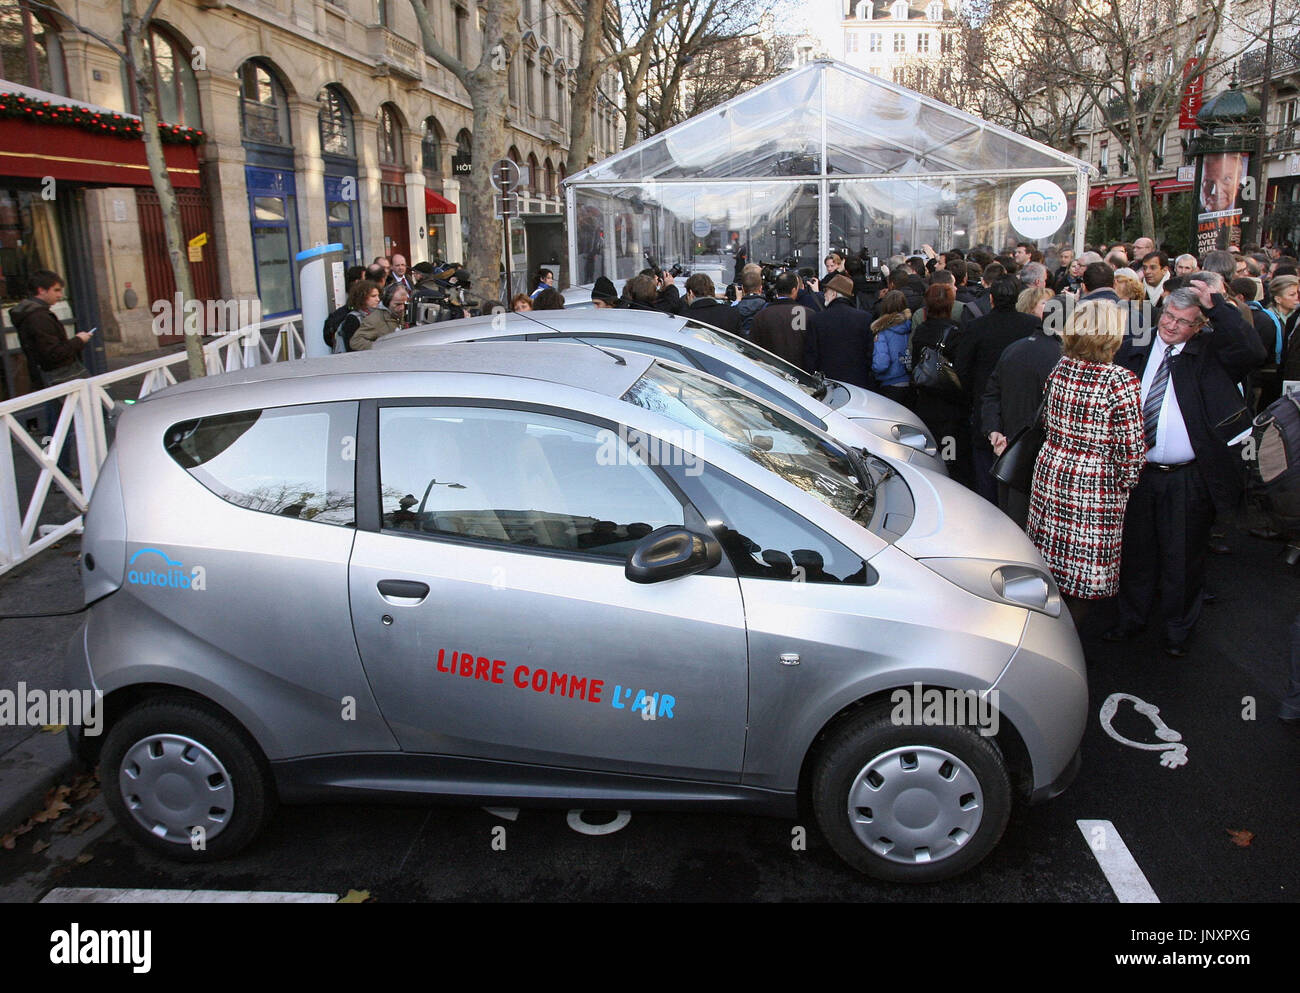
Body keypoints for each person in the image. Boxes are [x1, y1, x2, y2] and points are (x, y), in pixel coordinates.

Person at [1105, 282, 1267, 656]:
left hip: (1188, 478)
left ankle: (1177, 631)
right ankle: (1131, 619)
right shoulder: (1134, 348)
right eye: (1168, 316)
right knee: (1135, 553)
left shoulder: (1211, 355)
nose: (1171, 326)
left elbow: (1253, 351)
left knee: (1182, 559)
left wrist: (1218, 306)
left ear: (1199, 326)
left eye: (1183, 321)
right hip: (1136, 474)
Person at [1025, 299, 1145, 619]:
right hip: (1094, 485)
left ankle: (1047, 636)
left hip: (1052, 469)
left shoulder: (1061, 368)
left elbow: (1049, 421)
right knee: (1084, 576)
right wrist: (1125, 483)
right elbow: (1131, 449)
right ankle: (1070, 650)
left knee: (1053, 564)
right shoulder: (1120, 380)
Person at [954, 276, 1042, 501]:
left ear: (991, 299)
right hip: (1022, 405)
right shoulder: (1031, 326)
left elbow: (962, 367)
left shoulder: (977, 327)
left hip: (984, 403)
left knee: (985, 468)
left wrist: (971, 394)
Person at [982, 287, 1063, 527]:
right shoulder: (1062, 359)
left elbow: (991, 393)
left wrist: (993, 430)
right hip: (1038, 461)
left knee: (1009, 524)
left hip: (1007, 451)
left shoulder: (1014, 348)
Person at [11, 269, 93, 473]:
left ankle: (57, 469)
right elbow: (53, 353)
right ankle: (59, 470)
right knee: (60, 428)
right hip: (57, 376)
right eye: (56, 290)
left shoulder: (33, 314)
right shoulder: (38, 317)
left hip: (48, 376)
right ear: (41, 290)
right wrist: (79, 341)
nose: (59, 295)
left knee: (56, 427)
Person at [912, 282, 971, 486]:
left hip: (926, 402)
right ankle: (949, 483)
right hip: (951, 406)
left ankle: (932, 480)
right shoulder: (958, 332)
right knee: (950, 454)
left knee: (931, 449)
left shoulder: (921, 330)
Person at [806, 275, 873, 389]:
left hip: (828, 383)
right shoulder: (865, 318)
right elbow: (870, 353)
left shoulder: (817, 319)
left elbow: (811, 355)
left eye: (826, 291)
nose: (824, 294)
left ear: (834, 294)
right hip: (858, 382)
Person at [1248, 274, 1297, 409]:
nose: (1297, 298)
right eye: (1292, 295)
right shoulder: (1268, 320)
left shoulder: (1293, 318)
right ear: (1278, 299)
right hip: (1268, 382)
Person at [751, 272, 813, 370]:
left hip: (771, 374)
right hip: (801, 375)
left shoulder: (761, 316)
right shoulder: (808, 314)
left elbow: (753, 351)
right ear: (794, 290)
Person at [870, 290, 914, 407]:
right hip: (910, 382)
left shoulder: (882, 332)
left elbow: (881, 364)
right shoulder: (911, 327)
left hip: (890, 384)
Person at [349, 282, 409, 350]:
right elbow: (355, 342)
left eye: (404, 304)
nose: (402, 308)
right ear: (387, 303)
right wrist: (380, 348)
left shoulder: (402, 315)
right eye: (397, 304)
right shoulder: (375, 319)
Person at [332, 279, 381, 353]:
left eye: (378, 295)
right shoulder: (353, 319)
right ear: (362, 297)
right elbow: (351, 347)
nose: (378, 299)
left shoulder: (376, 314)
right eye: (373, 296)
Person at [733, 267, 767, 335]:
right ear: (760, 288)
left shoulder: (734, 310)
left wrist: (737, 300)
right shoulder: (767, 308)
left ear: (742, 289)